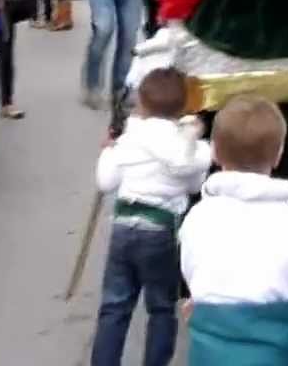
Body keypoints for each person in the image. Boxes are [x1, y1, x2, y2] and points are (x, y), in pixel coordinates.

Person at [91, 68, 212, 366]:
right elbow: (196, 185)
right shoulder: (189, 147)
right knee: (161, 308)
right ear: (183, 106)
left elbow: (105, 182)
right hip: (161, 229)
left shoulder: (129, 139)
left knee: (114, 306)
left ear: (142, 103)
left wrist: (109, 152)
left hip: (123, 225)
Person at [179, 95, 288, 364]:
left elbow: (191, 269)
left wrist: (200, 300)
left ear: (213, 151)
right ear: (279, 154)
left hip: (211, 345)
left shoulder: (200, 214)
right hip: (273, 347)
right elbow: (285, 278)